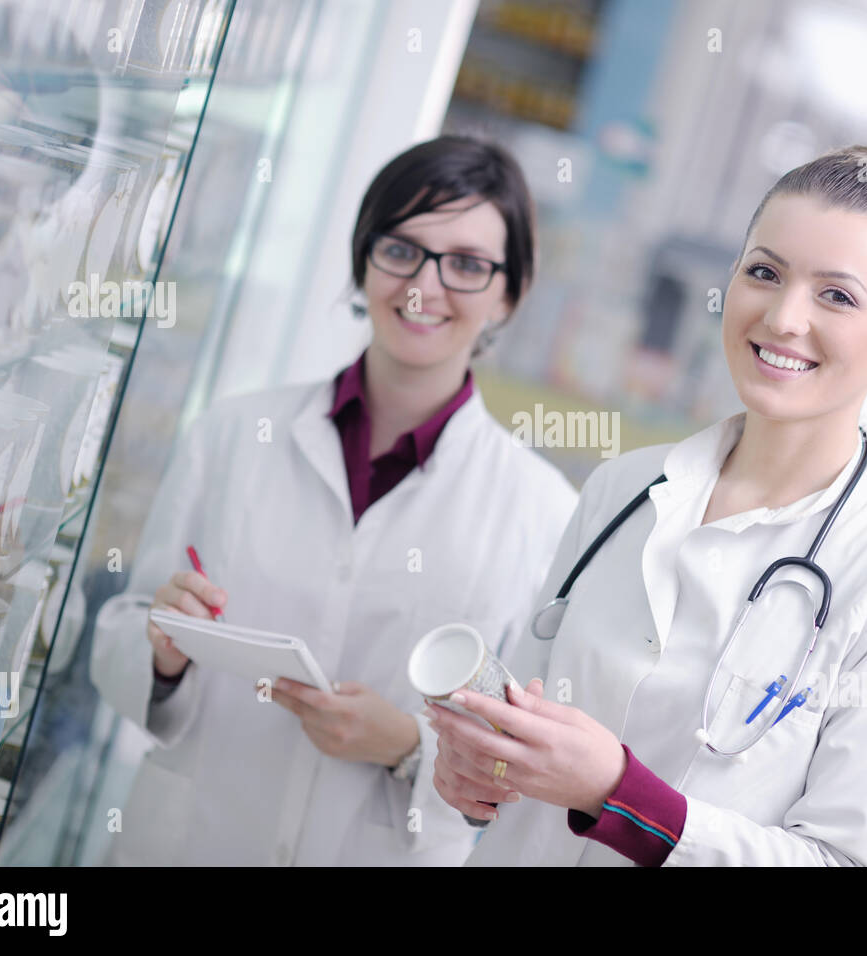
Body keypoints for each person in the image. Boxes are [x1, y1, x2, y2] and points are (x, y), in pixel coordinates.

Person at [428, 145, 867, 866]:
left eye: (837, 296)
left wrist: (620, 796)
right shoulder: (622, 491)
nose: (784, 317)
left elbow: (840, 861)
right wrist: (473, 766)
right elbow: (521, 731)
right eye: (764, 272)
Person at [90, 136, 578, 865]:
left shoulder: (542, 511)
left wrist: (407, 746)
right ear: (364, 258)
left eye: (468, 265)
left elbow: (532, 764)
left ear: (509, 295)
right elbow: (123, 631)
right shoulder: (234, 433)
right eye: (401, 250)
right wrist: (163, 654)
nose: (424, 286)